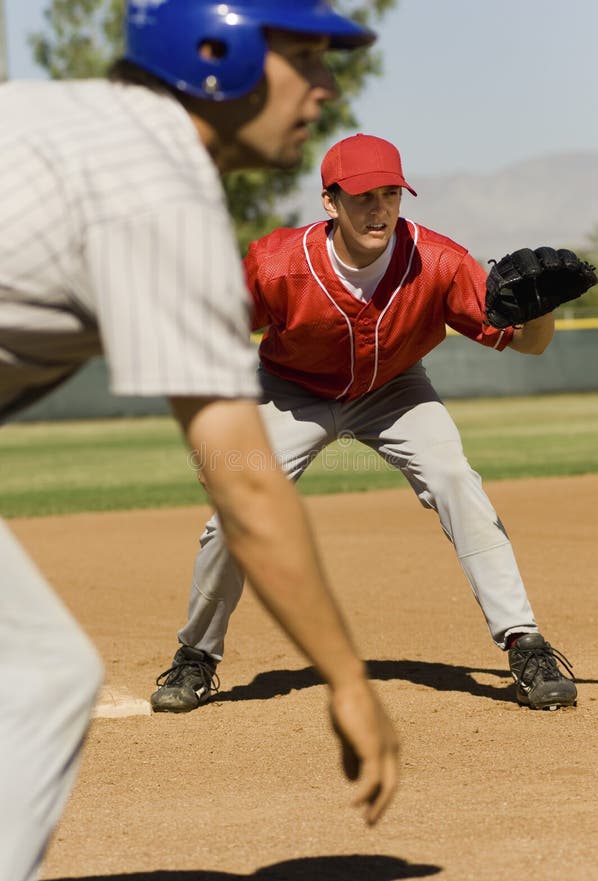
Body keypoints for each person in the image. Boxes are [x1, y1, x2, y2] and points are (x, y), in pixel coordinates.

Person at [0, 5, 401, 881]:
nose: (326, 87)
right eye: (306, 56)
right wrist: (347, 680)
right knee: (37, 678)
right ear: (216, 51)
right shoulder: (159, 191)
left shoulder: (61, 115)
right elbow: (244, 480)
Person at [151, 131, 577, 719]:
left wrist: (541, 311)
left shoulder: (438, 261)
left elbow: (530, 345)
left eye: (390, 194)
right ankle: (196, 656)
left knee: (456, 480)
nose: (379, 210)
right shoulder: (277, 264)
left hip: (395, 389)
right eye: (363, 197)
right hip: (290, 393)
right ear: (330, 202)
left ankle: (526, 645)